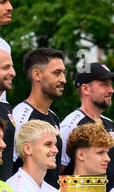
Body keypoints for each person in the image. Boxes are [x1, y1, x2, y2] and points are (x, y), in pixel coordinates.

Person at [4, 47, 67, 184]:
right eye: (57, 73)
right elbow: (7, 165)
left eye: (63, 73)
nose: (63, 80)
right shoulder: (20, 116)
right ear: (37, 75)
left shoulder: (54, 117)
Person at [59, 61, 114, 186]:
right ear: (85, 89)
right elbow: (59, 171)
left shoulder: (109, 124)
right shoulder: (71, 125)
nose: (112, 90)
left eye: (111, 85)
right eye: (104, 85)